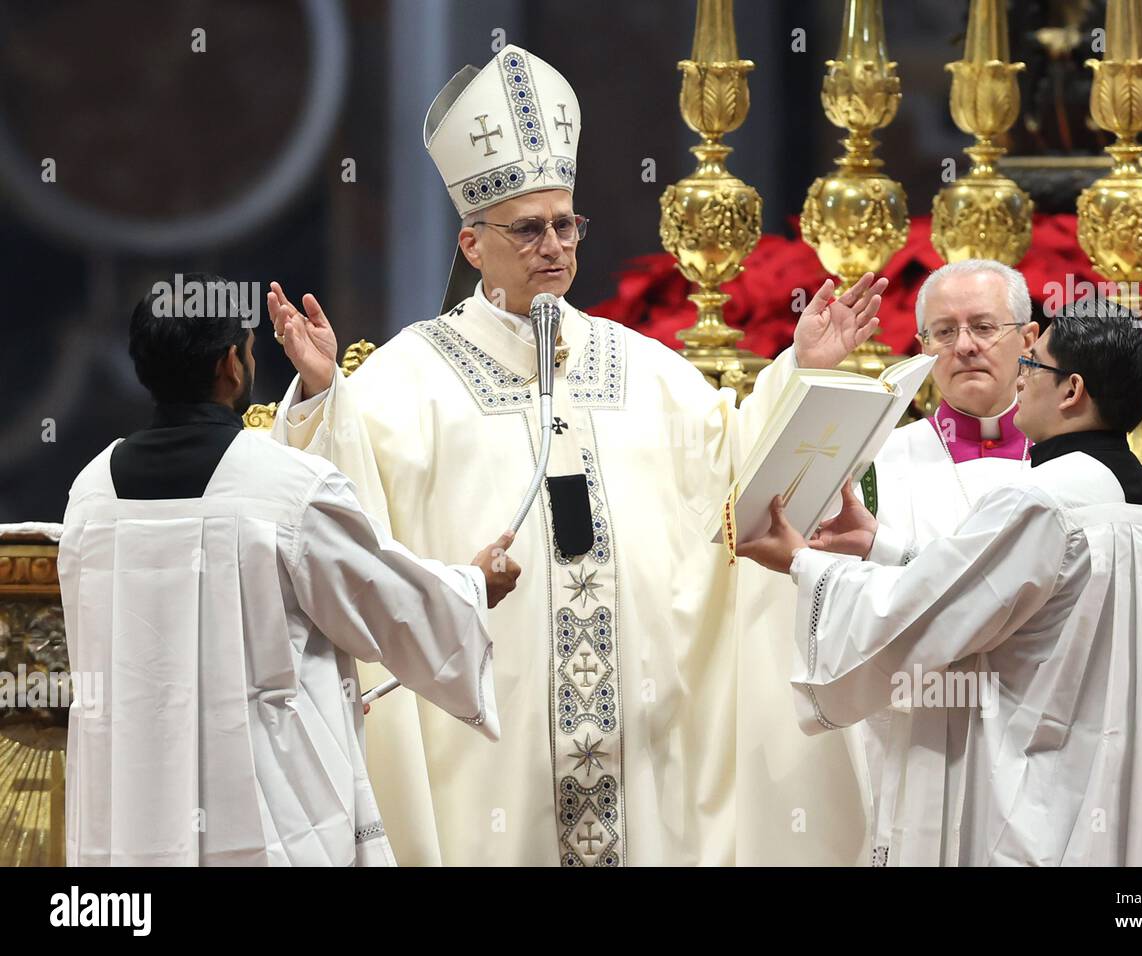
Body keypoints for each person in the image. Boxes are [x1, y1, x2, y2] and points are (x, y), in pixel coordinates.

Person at [266, 45, 886, 865]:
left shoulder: (641, 366)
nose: (553, 246)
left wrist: (800, 371)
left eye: (566, 224)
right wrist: (319, 399)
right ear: (473, 243)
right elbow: (336, 513)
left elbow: (734, 478)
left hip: (642, 745)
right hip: (486, 754)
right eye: (528, 229)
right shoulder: (406, 377)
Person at [59, 275, 519, 866]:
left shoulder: (91, 493)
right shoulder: (284, 490)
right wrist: (476, 583)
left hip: (129, 810)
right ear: (232, 365)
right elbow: (387, 602)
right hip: (264, 813)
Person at [739, 304, 1142, 865]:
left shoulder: (1044, 496)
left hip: (1042, 783)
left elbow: (919, 617)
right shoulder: (1132, 489)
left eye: (1033, 363)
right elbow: (1000, 589)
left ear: (1072, 390)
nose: (1021, 377)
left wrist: (804, 566)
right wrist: (881, 546)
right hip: (1111, 769)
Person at [735, 258, 1042, 864]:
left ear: (1028, 340)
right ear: (923, 348)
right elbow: (766, 513)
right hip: (912, 739)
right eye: (944, 332)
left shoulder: (1069, 468)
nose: (966, 347)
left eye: (984, 326)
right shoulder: (876, 460)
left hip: (1034, 733)